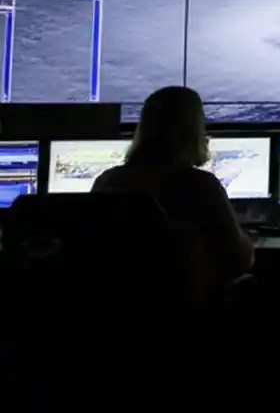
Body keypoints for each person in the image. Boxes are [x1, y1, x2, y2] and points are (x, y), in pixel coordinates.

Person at [93, 86, 254, 292]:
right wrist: (248, 239)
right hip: (186, 303)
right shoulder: (200, 186)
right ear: (194, 132)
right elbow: (239, 260)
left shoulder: (107, 181)